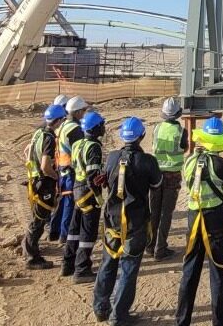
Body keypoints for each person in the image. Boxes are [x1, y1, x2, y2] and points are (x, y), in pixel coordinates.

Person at [94, 117, 163, 325]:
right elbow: (157, 185)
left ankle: (101, 309)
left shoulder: (112, 157)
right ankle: (119, 315)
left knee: (108, 263)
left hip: (112, 221)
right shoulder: (148, 161)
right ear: (142, 136)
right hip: (136, 223)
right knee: (128, 268)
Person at [175, 117, 223, 326]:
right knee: (218, 273)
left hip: (194, 219)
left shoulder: (189, 161)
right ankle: (220, 323)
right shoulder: (222, 164)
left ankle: (182, 321)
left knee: (189, 270)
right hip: (216, 220)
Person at [63, 110, 106, 283]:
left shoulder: (78, 144)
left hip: (77, 189)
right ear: (95, 128)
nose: (103, 128)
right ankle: (82, 269)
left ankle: (68, 263)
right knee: (88, 231)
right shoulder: (94, 147)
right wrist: (98, 197)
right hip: (88, 193)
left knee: (74, 228)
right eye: (101, 125)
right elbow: (92, 176)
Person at [22, 104, 65, 269]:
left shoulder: (38, 132)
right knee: (39, 220)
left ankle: (29, 248)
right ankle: (32, 258)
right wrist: (55, 176)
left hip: (34, 180)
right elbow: (45, 165)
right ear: (58, 120)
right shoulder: (49, 138)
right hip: (43, 183)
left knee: (37, 217)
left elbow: (26, 151)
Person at [147, 97, 188, 260]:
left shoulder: (157, 128)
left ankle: (150, 246)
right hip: (172, 176)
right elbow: (184, 148)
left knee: (154, 211)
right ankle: (160, 249)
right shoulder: (181, 131)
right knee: (166, 212)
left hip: (156, 174)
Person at [49, 95, 88, 243]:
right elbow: (78, 151)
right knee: (69, 203)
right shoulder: (75, 129)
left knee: (62, 200)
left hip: (61, 168)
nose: (84, 113)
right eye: (83, 110)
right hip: (71, 170)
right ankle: (64, 235)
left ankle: (54, 231)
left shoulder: (63, 125)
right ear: (77, 112)